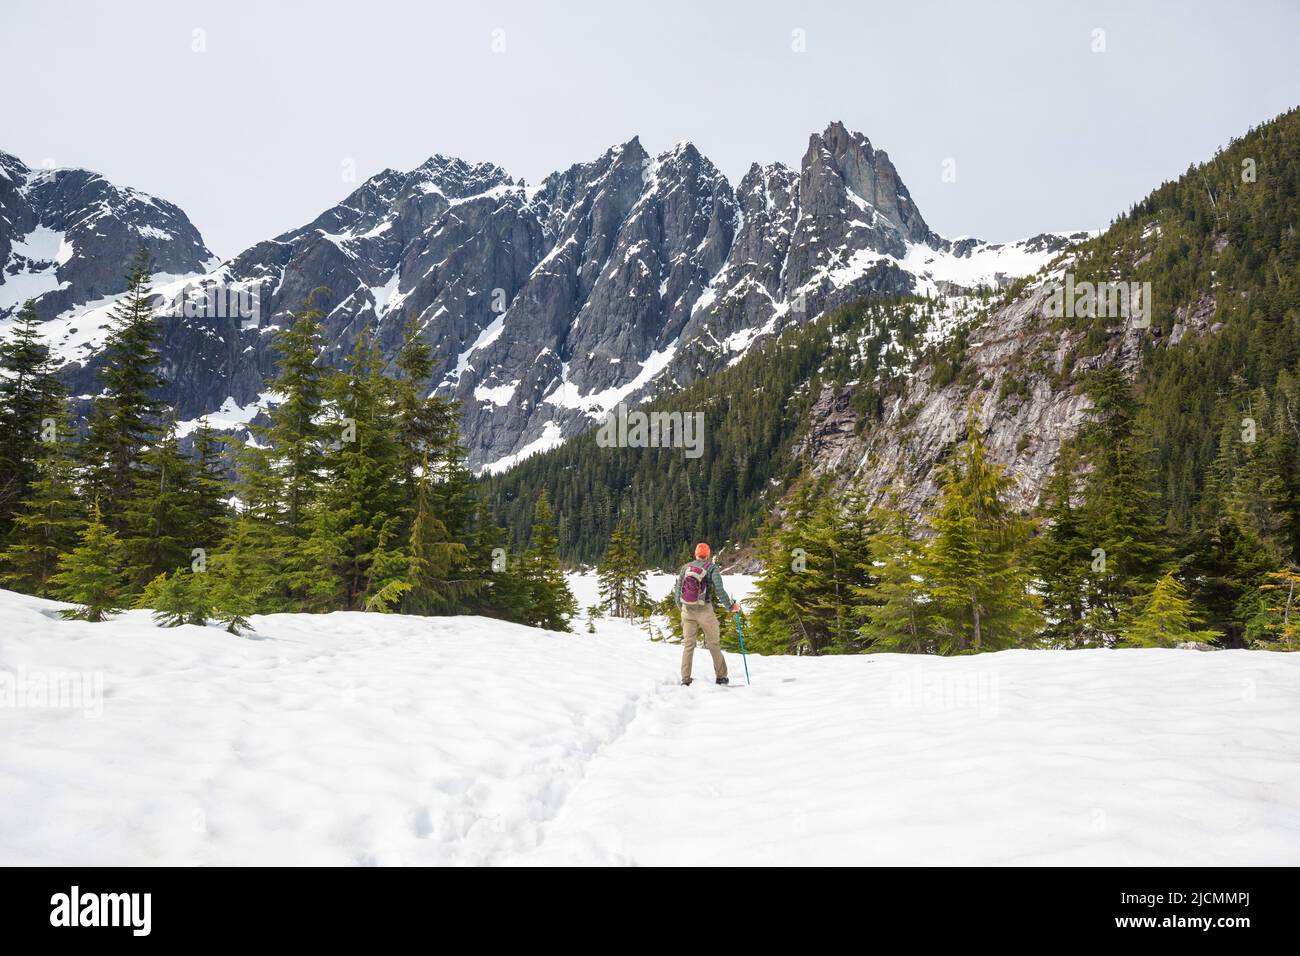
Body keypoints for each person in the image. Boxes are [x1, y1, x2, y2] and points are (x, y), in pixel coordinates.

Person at [675, 542, 739, 686]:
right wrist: (730, 606)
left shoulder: (686, 567)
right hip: (705, 611)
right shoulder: (712, 568)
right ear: (708, 555)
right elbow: (719, 590)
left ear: (695, 553)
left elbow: (678, 589)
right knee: (713, 644)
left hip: (687, 611)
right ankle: (721, 677)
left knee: (688, 645)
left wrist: (683, 608)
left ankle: (685, 679)